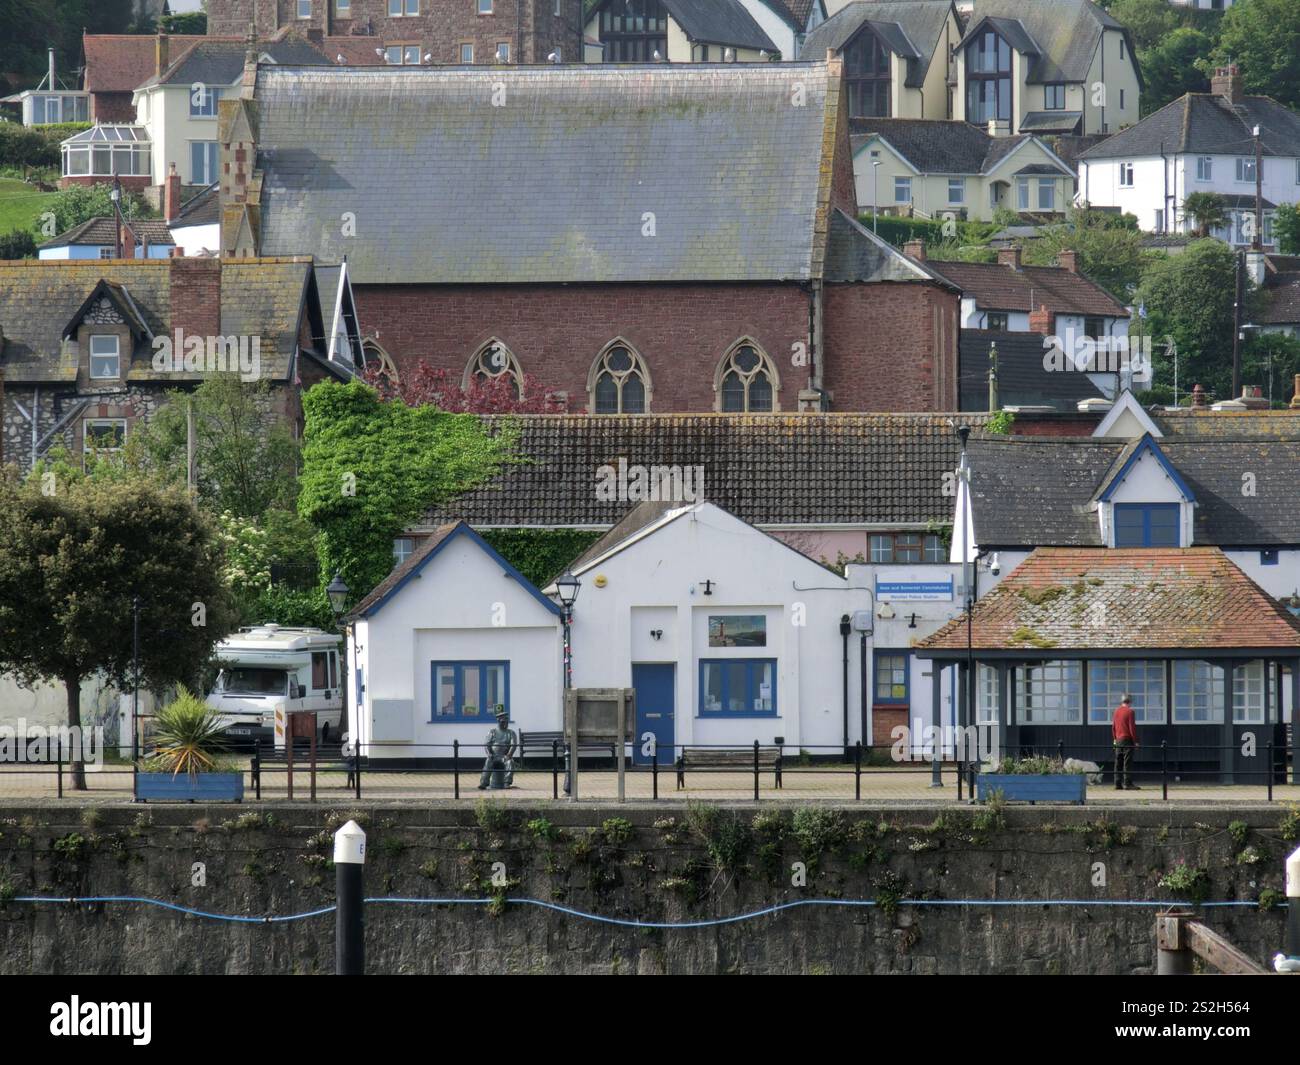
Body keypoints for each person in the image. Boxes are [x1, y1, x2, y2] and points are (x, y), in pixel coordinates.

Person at [478, 711, 517, 790]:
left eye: (507, 721)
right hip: (494, 756)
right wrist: (489, 754)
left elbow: (514, 745)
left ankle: (507, 783)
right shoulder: (492, 732)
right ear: (499, 721)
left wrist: (509, 755)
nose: (506, 723)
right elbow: (487, 744)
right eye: (504, 721)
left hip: (505, 756)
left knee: (510, 762)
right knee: (488, 761)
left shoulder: (511, 733)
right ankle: (484, 783)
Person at [1112, 692, 1139, 790]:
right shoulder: (1130, 712)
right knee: (1127, 762)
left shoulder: (1116, 711)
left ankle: (1117, 783)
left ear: (1122, 701)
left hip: (1118, 739)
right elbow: (1132, 728)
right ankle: (1127, 783)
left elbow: (1113, 727)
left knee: (1118, 762)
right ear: (1130, 701)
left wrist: (1114, 741)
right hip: (1127, 739)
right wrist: (1135, 741)